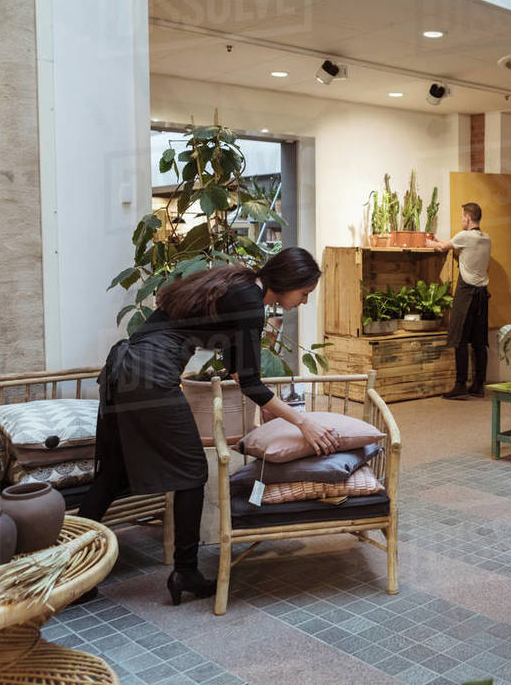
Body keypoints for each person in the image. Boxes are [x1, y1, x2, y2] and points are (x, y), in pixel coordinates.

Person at [79, 247, 340, 605]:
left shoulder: (240, 285)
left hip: (127, 367)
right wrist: (303, 422)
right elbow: (251, 382)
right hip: (150, 373)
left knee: (113, 472)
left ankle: (69, 567)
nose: (304, 302)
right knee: (191, 471)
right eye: (305, 293)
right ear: (289, 282)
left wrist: (270, 409)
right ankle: (185, 572)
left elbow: (239, 372)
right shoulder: (251, 302)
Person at [427, 202, 491, 399]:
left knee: (459, 338)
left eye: (463, 216)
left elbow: (442, 248)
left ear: (468, 218)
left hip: (466, 293)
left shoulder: (464, 236)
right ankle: (479, 385)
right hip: (482, 295)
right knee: (479, 342)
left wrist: (428, 242)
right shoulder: (486, 238)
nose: (462, 219)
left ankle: (460, 384)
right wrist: (441, 240)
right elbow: (457, 245)